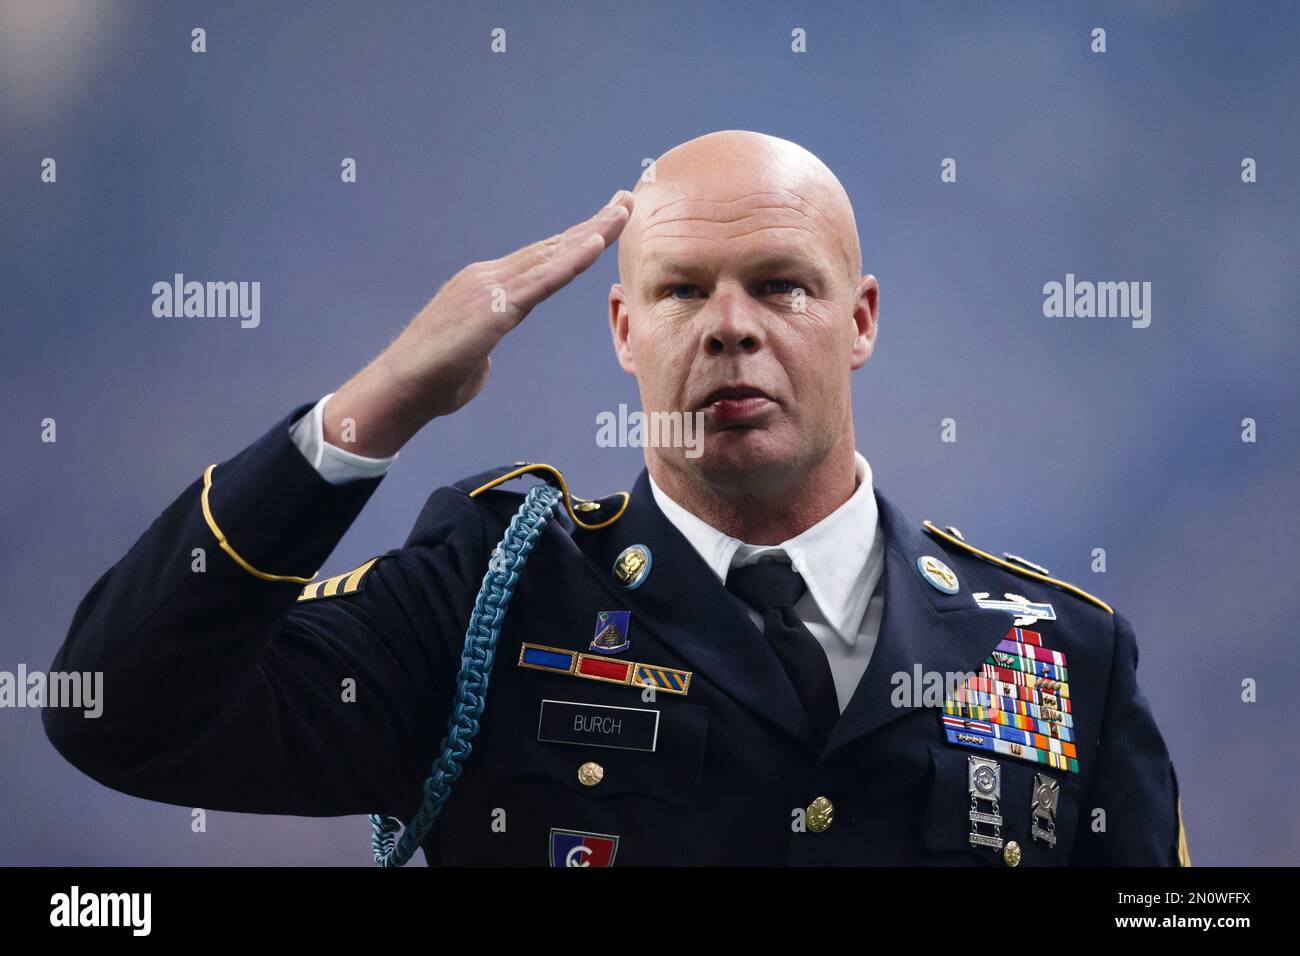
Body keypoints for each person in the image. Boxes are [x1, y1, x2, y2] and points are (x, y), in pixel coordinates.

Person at [43, 130, 1189, 866]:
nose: (731, 324)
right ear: (623, 328)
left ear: (862, 319)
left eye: (782, 285)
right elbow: (118, 710)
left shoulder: (1062, 656)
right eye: (682, 289)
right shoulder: (488, 598)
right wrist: (371, 408)